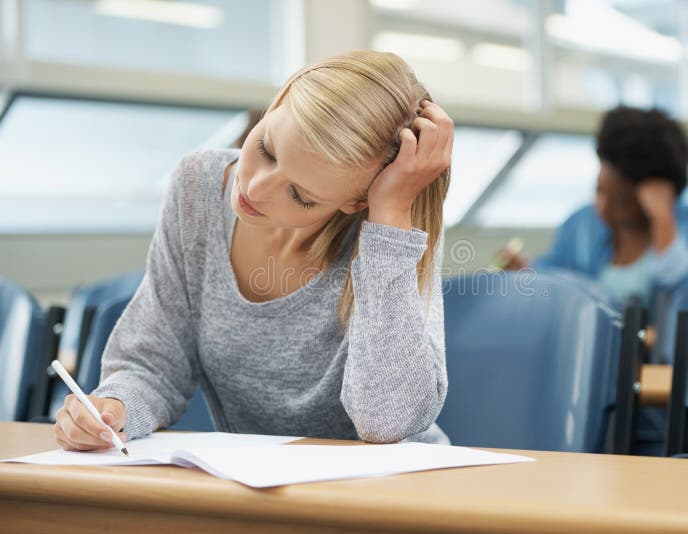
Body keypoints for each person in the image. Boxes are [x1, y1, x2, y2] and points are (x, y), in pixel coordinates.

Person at [54, 51, 453, 451]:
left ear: (355, 201)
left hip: (388, 494)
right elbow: (153, 363)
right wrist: (114, 409)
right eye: (265, 148)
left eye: (300, 195)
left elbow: (386, 423)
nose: (255, 188)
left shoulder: (394, 235)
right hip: (256, 491)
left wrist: (389, 218)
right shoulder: (198, 187)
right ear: (275, 105)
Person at [500, 106, 688, 309]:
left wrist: (663, 220)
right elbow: (554, 277)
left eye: (618, 200)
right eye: (599, 191)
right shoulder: (581, 222)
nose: (601, 207)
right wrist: (525, 273)